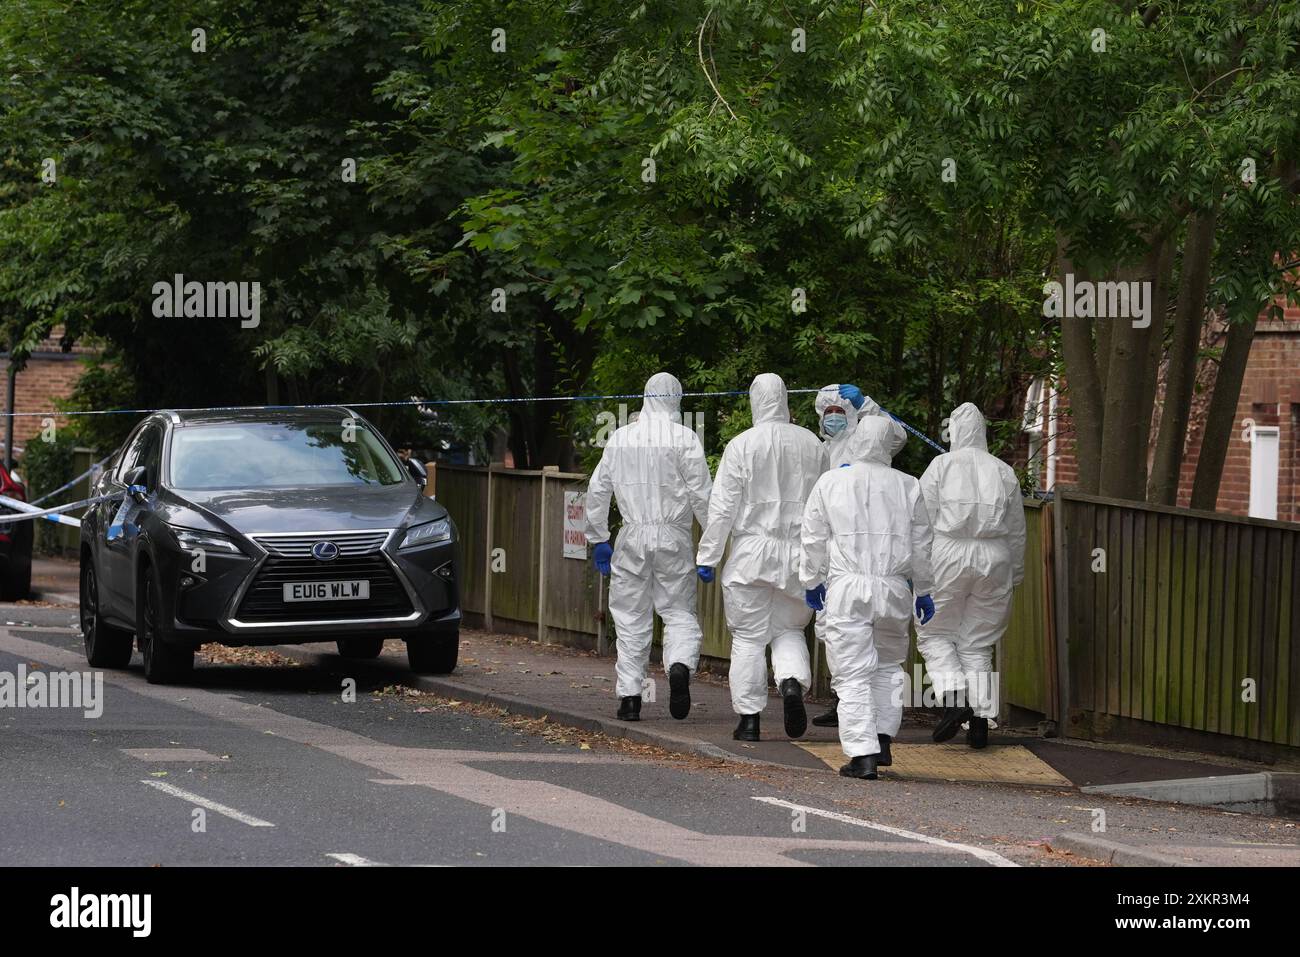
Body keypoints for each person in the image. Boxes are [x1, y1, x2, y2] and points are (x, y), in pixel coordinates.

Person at [800, 416, 935, 779]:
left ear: (857, 440)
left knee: (852, 673)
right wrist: (924, 590)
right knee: (889, 667)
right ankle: (882, 738)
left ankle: (862, 755)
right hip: (894, 589)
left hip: (849, 587)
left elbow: (812, 536)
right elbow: (923, 544)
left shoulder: (832, 482)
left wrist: (811, 580)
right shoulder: (909, 485)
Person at [696, 373, 825, 742]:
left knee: (749, 639)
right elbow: (825, 505)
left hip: (752, 552)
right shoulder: (813, 445)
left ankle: (749, 720)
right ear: (785, 399)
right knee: (789, 629)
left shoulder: (742, 445)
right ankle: (789, 684)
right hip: (799, 554)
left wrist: (708, 554)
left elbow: (722, 507)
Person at [585, 372, 712, 722]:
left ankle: (630, 698)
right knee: (678, 611)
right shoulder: (686, 438)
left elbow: (597, 490)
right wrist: (712, 548)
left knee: (630, 618)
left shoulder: (620, 438)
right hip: (674, 537)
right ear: (676, 399)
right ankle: (679, 665)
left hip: (632, 536)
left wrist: (598, 539)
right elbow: (704, 498)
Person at [916, 402, 1026, 749]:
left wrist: (918, 572)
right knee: (977, 644)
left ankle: (952, 698)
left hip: (948, 552)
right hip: (995, 557)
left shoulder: (941, 466)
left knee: (934, 632)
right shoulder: (1004, 471)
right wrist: (1015, 574)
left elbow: (922, 520)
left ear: (955, 432)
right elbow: (1016, 530)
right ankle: (980, 722)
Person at [810, 383, 909, 729]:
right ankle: (852, 708)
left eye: (840, 412)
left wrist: (867, 404)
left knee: (862, 646)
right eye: (829, 412)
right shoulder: (823, 449)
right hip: (839, 554)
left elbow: (892, 435)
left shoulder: (863, 439)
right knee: (834, 634)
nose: (834, 418)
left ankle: (858, 716)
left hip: (867, 557)